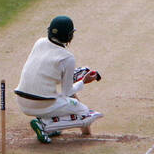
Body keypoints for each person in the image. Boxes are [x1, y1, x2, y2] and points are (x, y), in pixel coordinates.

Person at [13, 16, 103, 144]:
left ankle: (52, 127)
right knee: (86, 114)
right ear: (69, 36)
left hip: (22, 101)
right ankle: (45, 126)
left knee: (59, 100)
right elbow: (67, 92)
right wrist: (83, 81)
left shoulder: (39, 42)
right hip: (42, 104)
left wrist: (72, 75)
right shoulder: (68, 58)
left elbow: (47, 70)